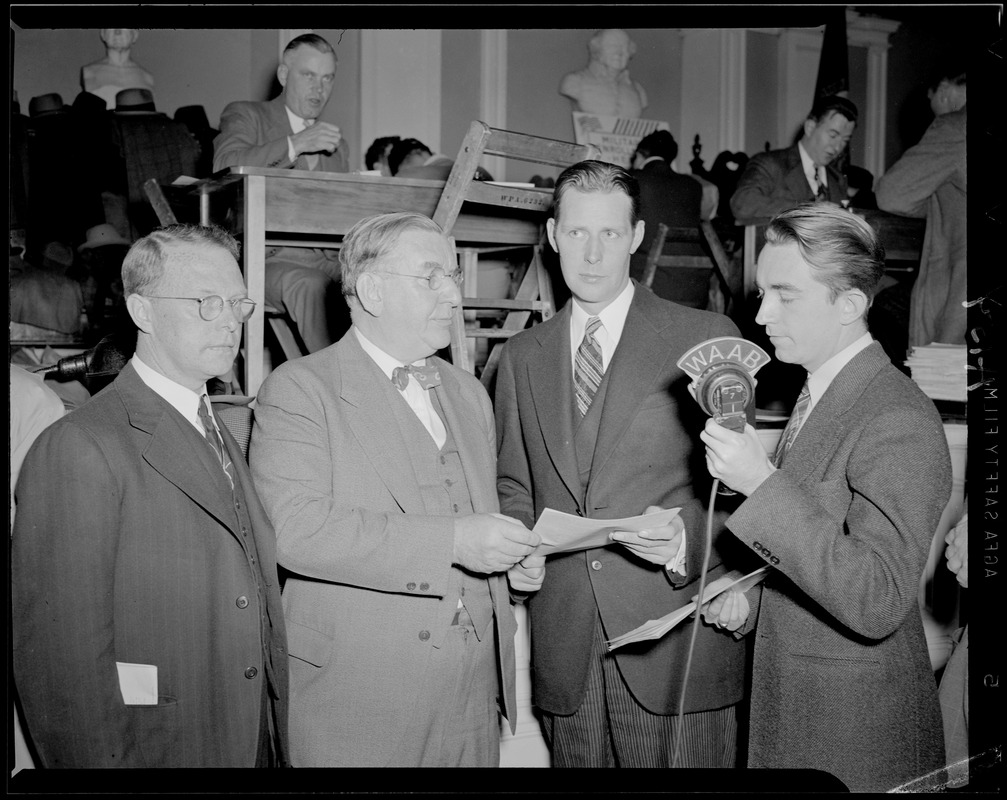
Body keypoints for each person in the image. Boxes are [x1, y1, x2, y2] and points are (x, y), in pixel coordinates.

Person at [249, 211, 538, 767]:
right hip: (359, 699)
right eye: (432, 277)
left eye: (453, 276)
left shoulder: (468, 392)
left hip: (473, 700)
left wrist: (513, 569)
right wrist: (454, 542)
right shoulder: (299, 389)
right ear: (372, 291)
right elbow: (296, 529)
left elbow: (475, 517)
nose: (453, 295)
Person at [495, 160, 749, 768]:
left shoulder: (705, 337)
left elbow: (746, 490)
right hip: (567, 652)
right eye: (576, 232)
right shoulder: (520, 356)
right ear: (552, 235)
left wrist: (686, 541)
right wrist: (518, 550)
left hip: (677, 645)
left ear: (635, 237)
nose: (591, 254)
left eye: (609, 233)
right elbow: (513, 483)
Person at [11, 223, 289, 768]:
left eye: (238, 303)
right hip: (162, 750)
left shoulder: (214, 422)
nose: (230, 320)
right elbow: (62, 668)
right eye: (206, 302)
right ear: (142, 311)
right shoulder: (79, 445)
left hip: (246, 736)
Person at [699, 203, 949, 791]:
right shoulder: (822, 393)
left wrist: (760, 484)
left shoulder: (896, 415)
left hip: (855, 738)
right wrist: (748, 592)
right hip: (806, 713)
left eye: (785, 295)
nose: (762, 314)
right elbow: (822, 538)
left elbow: (878, 597)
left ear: (850, 304)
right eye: (763, 293)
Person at [213, 33, 350, 354]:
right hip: (265, 259)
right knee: (313, 286)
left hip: (326, 257)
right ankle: (335, 379)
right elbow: (224, 165)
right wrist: (296, 144)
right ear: (284, 75)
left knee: (380, 278)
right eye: (309, 75)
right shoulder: (247, 115)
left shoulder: (337, 145)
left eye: (328, 78)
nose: (319, 88)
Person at [875, 64, 966, 349]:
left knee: (939, 368)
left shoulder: (954, 125)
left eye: (931, 99)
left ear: (944, 90)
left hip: (960, 293)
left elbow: (892, 194)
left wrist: (934, 201)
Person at [730, 95, 858, 224]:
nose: (837, 147)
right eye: (833, 135)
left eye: (845, 140)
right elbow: (742, 203)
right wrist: (809, 210)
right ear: (810, 127)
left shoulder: (838, 180)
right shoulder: (771, 164)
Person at [628, 130, 705, 304]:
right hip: (693, 286)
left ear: (640, 155)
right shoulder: (694, 185)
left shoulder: (634, 180)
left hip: (649, 284)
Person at [560, 29, 648, 118]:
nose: (619, 53)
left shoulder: (638, 90)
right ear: (597, 50)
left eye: (625, 47)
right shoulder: (575, 81)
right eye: (613, 46)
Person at [80, 28, 155, 111]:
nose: (117, 32)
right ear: (103, 34)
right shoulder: (89, 72)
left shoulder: (147, 77)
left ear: (135, 35)